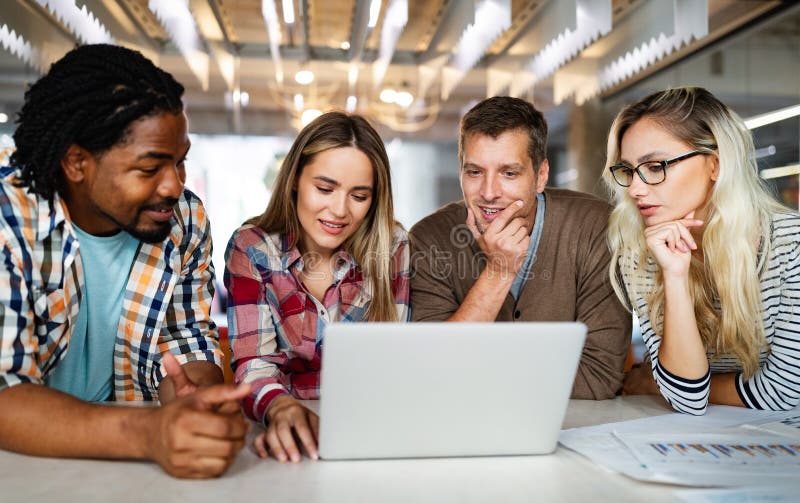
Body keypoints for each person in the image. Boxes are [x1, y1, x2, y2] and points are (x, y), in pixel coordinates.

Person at [0, 44, 250, 479]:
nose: (174, 185)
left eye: (179, 161)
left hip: (126, 469)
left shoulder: (182, 220)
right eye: (150, 167)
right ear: (77, 162)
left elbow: (186, 339)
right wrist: (150, 434)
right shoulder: (8, 216)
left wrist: (195, 403)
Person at [409, 96, 631, 399]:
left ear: (540, 176)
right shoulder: (428, 239)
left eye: (509, 173)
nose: (488, 193)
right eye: (474, 172)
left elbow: (598, 378)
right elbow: (430, 372)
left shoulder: (595, 226)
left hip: (574, 430)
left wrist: (475, 376)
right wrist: (499, 272)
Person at [224, 112, 410, 463]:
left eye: (359, 195)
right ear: (294, 179)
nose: (339, 210)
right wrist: (280, 408)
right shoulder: (252, 249)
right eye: (324, 189)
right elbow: (253, 364)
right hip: (286, 427)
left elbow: (394, 366)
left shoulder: (394, 247)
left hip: (371, 434)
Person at [604, 86, 800, 415]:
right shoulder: (640, 252)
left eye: (655, 167)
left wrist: (655, 383)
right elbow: (686, 399)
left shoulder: (789, 246)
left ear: (715, 165)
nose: (636, 189)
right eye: (629, 170)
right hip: (704, 446)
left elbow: (787, 392)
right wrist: (675, 276)